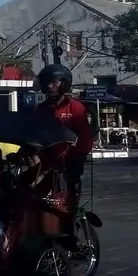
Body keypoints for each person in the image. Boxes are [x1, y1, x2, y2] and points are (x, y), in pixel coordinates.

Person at [33, 63, 93, 199]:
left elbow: (85, 139)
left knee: (64, 199)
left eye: (54, 83)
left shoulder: (76, 108)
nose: (49, 86)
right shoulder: (38, 110)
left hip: (67, 165)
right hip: (42, 164)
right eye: (46, 83)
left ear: (64, 84)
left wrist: (75, 157)